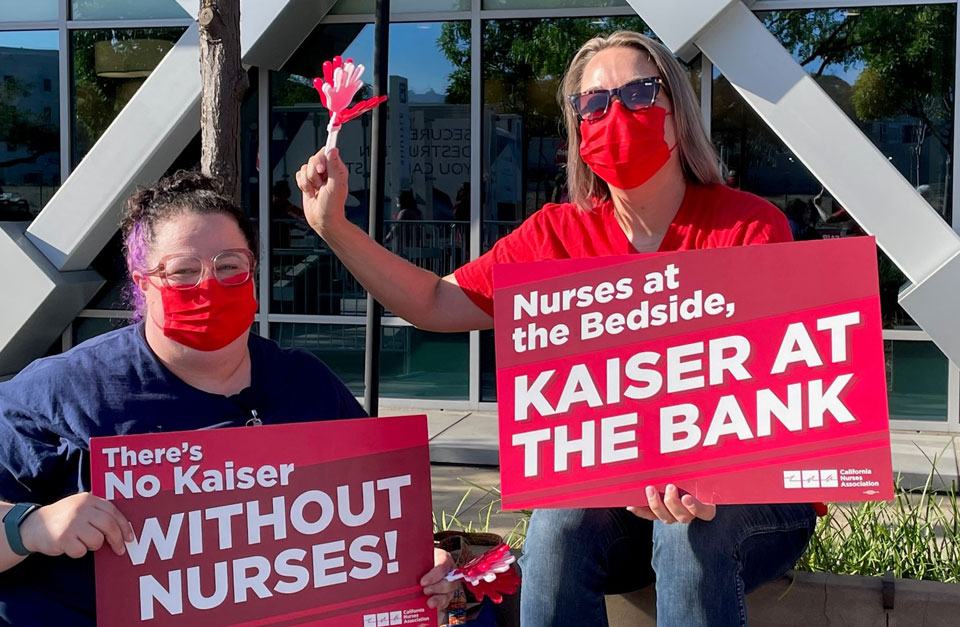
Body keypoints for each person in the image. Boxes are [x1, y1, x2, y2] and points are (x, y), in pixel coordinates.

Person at [296, 31, 816, 627]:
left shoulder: (749, 227)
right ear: (577, 129)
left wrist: (708, 471)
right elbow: (437, 302)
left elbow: (785, 389)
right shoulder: (554, 236)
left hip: (746, 501)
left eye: (640, 93)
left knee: (688, 533)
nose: (615, 114)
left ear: (679, 114)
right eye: (593, 103)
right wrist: (333, 226)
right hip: (616, 511)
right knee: (557, 520)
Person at [0, 171, 455, 625]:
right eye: (183, 271)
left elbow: (384, 523)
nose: (210, 285)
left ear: (253, 271)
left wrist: (422, 564)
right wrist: (30, 527)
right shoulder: (64, 390)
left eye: (229, 266)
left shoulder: (305, 383)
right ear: (143, 284)